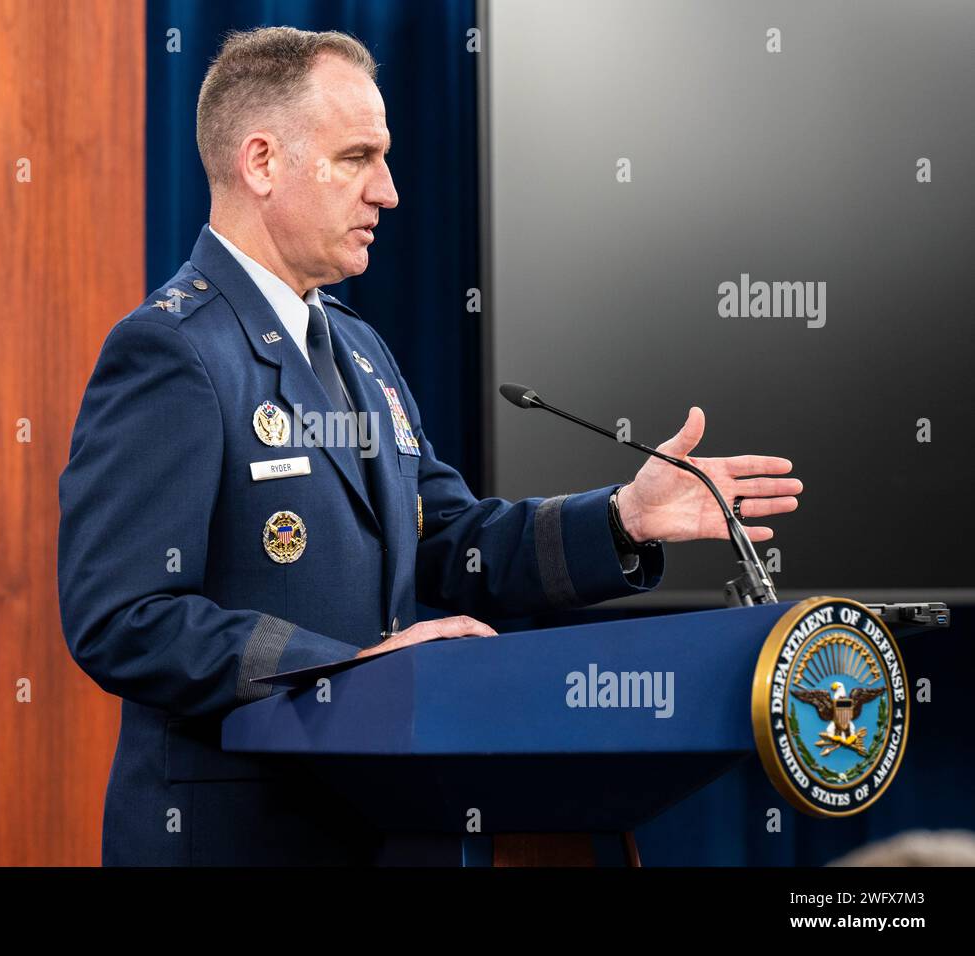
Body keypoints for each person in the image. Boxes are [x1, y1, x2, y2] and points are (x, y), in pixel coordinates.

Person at [56, 26, 802, 866]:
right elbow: (123, 617)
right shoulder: (173, 351)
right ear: (261, 163)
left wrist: (623, 521)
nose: (390, 191)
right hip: (240, 839)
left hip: (390, 829)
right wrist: (349, 667)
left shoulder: (356, 347)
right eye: (357, 157)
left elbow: (448, 542)